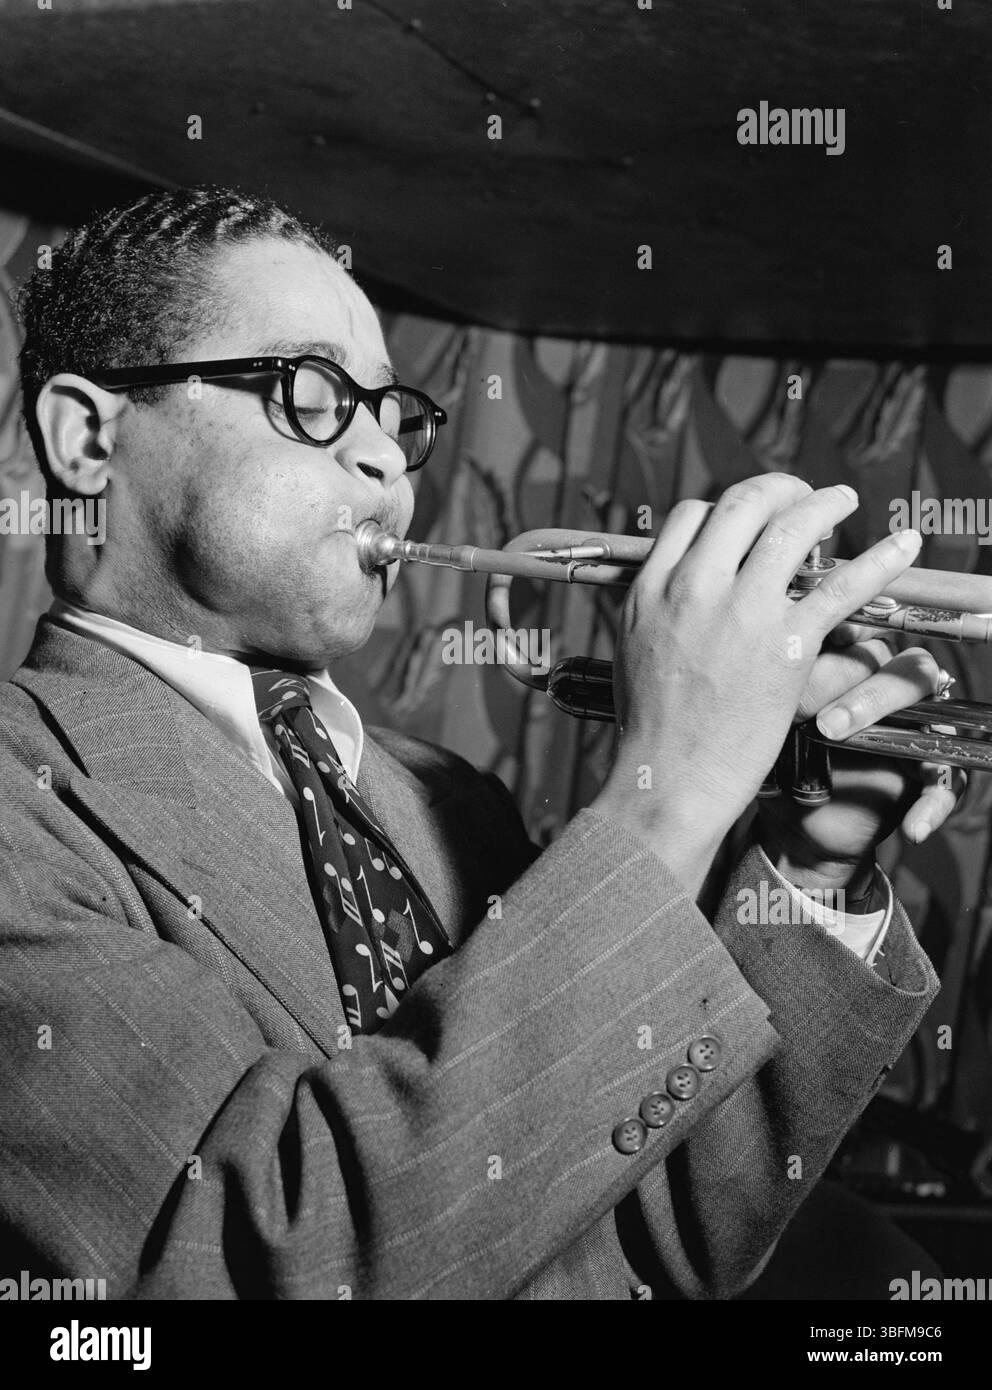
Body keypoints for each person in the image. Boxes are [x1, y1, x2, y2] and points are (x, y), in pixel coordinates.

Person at [0, 186, 955, 1300]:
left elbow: (666, 1233)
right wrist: (668, 798)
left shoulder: (448, 798)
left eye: (394, 415)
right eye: (310, 393)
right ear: (86, 436)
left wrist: (810, 857)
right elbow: (247, 1262)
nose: (388, 465)